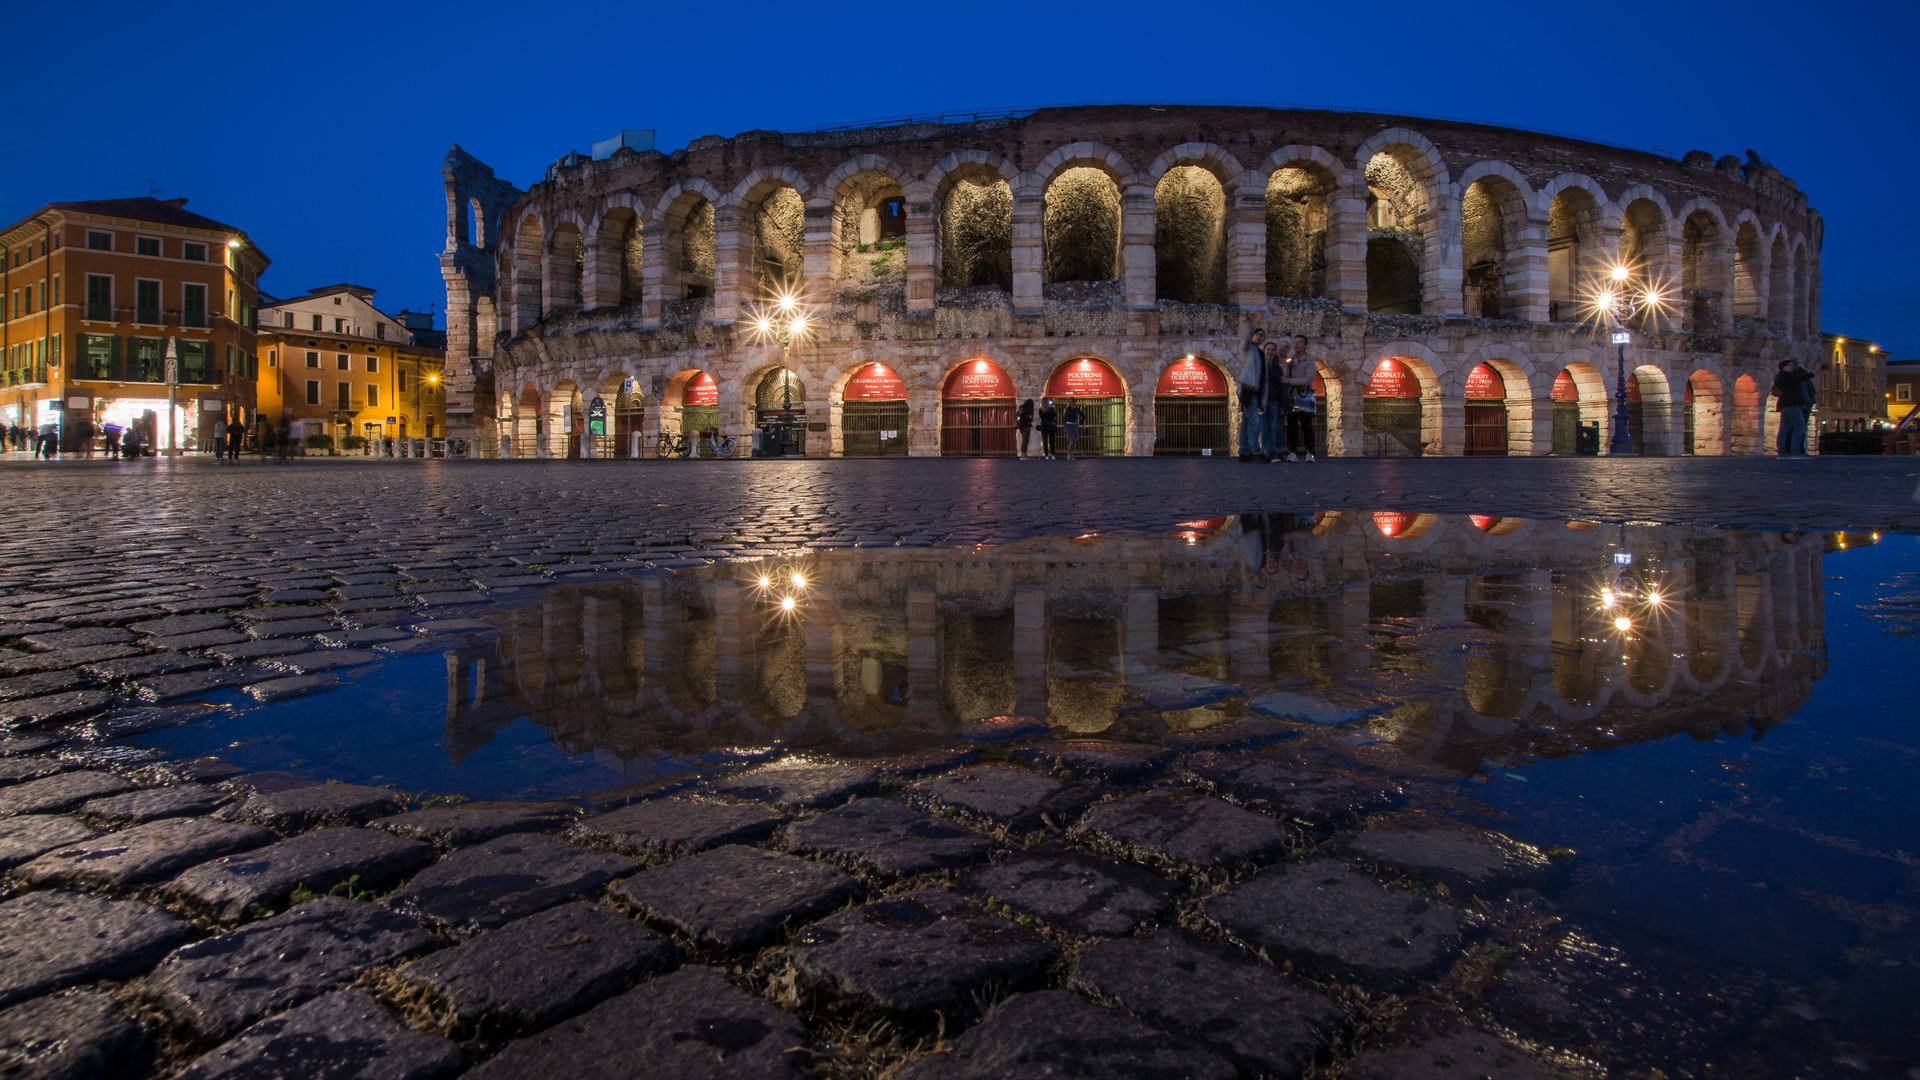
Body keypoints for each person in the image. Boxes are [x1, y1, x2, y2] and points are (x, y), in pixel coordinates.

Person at [1770, 355, 1820, 457]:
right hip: (1791, 404)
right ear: (1784, 366)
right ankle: (1794, 450)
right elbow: (1794, 382)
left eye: (1794, 363)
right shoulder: (1786, 376)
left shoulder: (1794, 373)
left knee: (1785, 428)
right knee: (1799, 427)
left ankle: (1786, 450)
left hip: (1797, 403)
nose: (1793, 365)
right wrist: (1811, 374)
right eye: (1790, 364)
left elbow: (1807, 385)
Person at [1284, 336, 1318, 462]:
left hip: (1303, 396)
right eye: (1295, 342)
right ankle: (1292, 452)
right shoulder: (1291, 360)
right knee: (1292, 426)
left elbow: (1308, 379)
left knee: (1306, 426)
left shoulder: (1309, 361)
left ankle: (1310, 452)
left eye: (1299, 343)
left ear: (1305, 345)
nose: (1296, 345)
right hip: (1292, 396)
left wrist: (1290, 381)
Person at [1235, 327, 1267, 461]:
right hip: (1248, 389)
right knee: (1253, 422)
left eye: (1262, 335)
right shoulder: (1248, 349)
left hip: (1254, 390)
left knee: (1247, 422)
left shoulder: (1260, 353)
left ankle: (1244, 452)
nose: (1259, 337)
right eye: (1257, 334)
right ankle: (1255, 452)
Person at [1260, 340, 1289, 461]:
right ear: (1264, 351)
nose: (1270, 352)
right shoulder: (1260, 366)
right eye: (1268, 349)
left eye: (1272, 350)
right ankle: (1265, 450)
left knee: (1273, 428)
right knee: (1264, 427)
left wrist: (1282, 406)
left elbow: (1281, 388)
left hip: (1274, 401)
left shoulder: (1277, 369)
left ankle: (1270, 452)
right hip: (1263, 401)